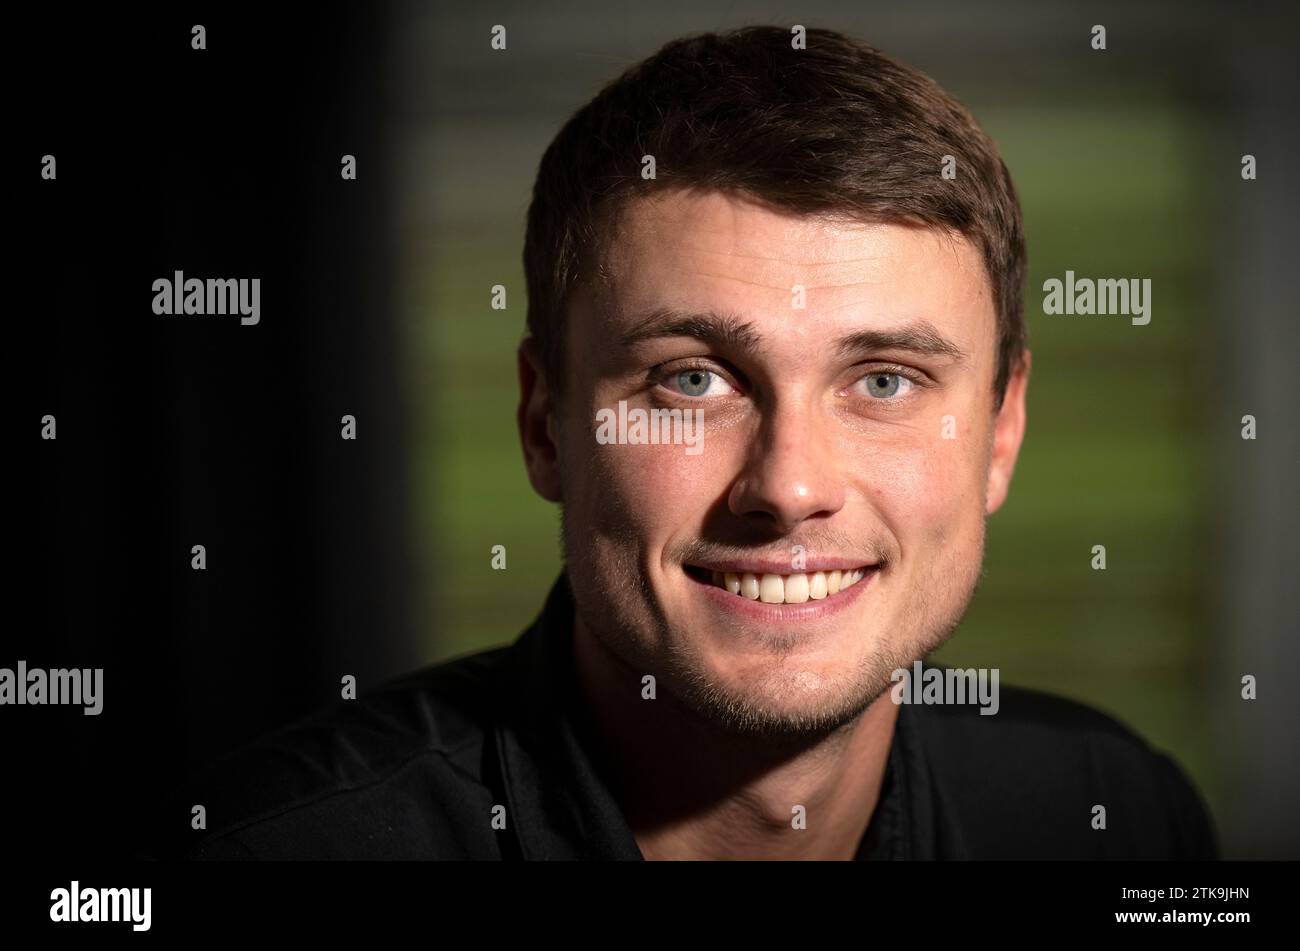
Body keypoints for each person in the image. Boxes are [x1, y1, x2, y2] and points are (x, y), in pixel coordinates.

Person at [183, 25, 1217, 860]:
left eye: (884, 380)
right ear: (546, 426)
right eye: (692, 380)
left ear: (1000, 431)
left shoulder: (1113, 815)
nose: (790, 486)